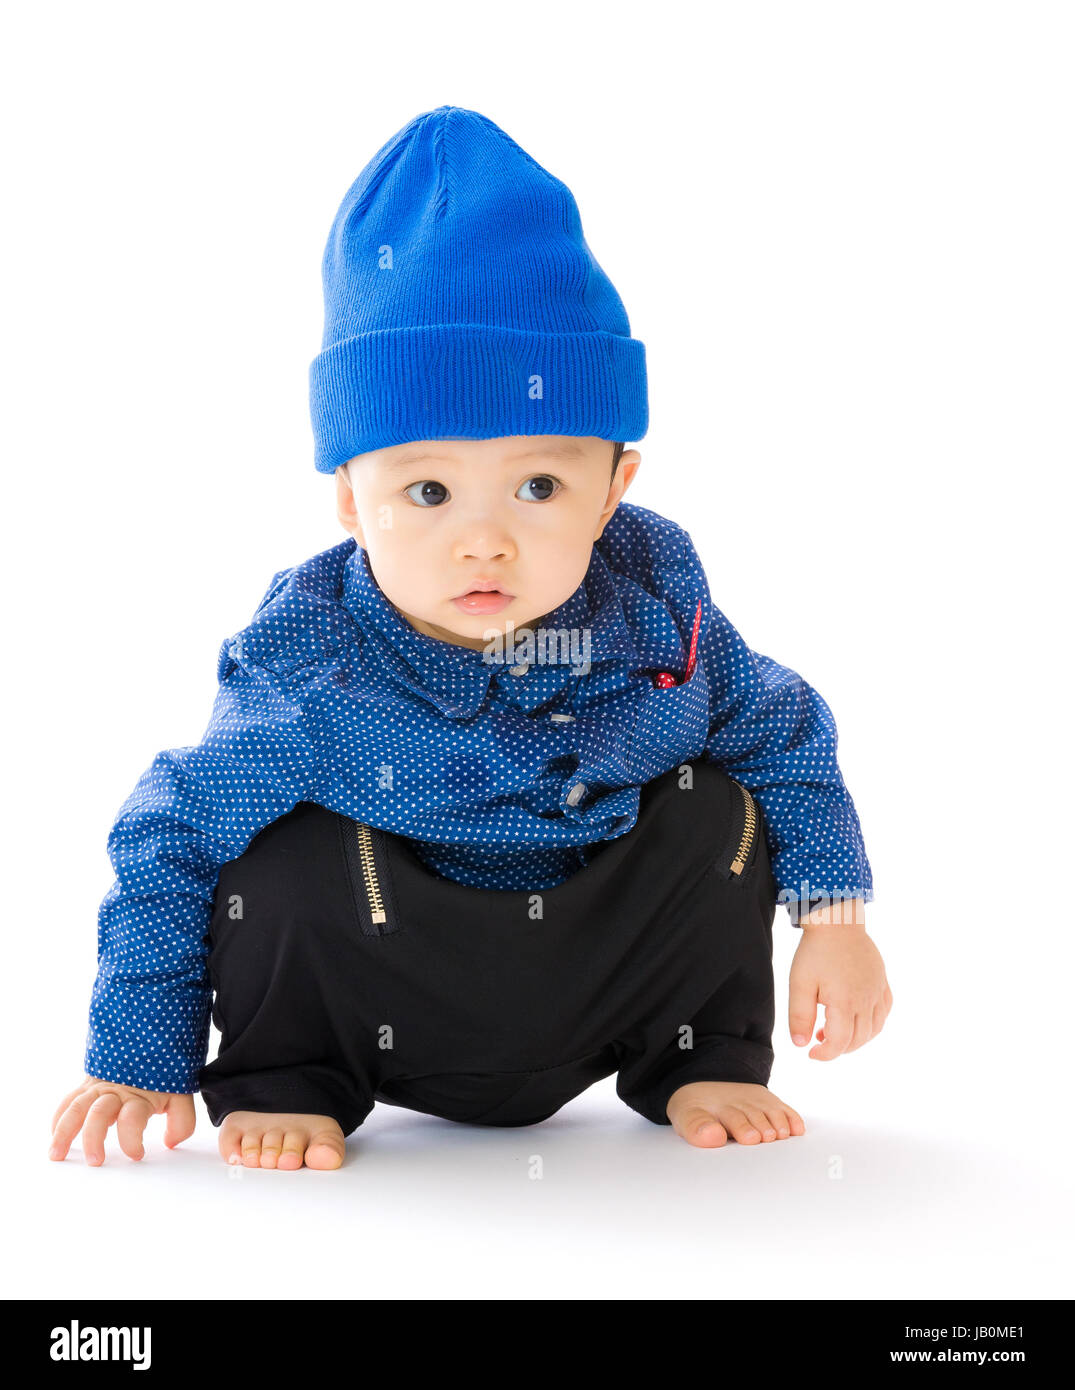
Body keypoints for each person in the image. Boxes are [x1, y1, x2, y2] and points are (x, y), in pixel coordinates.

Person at [49, 105, 890, 1171]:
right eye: (428, 490)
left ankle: (697, 1052)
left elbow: (787, 733)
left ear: (612, 490)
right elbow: (168, 833)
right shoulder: (316, 675)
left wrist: (835, 916)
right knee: (278, 846)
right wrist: (139, 1048)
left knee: (714, 805)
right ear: (351, 504)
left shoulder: (657, 618)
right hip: (385, 961)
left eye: (539, 485)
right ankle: (291, 1074)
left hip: (603, 970)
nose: (483, 541)